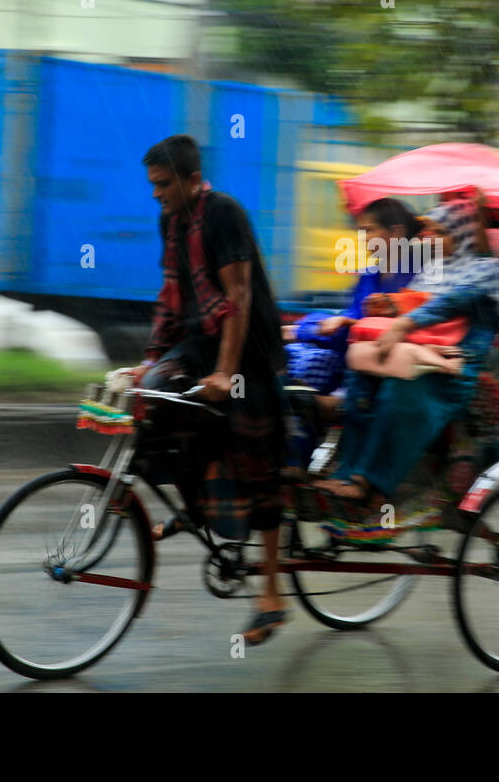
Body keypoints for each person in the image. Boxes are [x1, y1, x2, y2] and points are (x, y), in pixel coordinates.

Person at [131, 134, 289, 646]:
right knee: (154, 399)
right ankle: (198, 504)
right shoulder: (170, 222)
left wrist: (225, 374)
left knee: (258, 463)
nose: (155, 193)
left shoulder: (224, 213)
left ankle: (271, 594)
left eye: (162, 184)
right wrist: (150, 360)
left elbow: (238, 295)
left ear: (190, 180)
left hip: (250, 351)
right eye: (152, 185)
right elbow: (170, 296)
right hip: (201, 341)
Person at [314, 195, 499, 506]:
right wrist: (389, 306)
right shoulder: (435, 267)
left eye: (441, 232)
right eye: (430, 231)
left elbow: (448, 304)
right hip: (418, 353)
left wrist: (402, 324)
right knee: (361, 379)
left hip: (455, 366)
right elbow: (414, 299)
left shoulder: (489, 270)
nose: (429, 238)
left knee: (398, 390)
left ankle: (369, 480)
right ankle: (345, 473)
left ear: (462, 235)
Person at [284, 197, 424, 400]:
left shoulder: (417, 277)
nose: (364, 238)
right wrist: (308, 327)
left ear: (396, 233)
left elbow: (390, 327)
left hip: (378, 361)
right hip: (348, 351)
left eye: (369, 230)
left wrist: (309, 329)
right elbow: (353, 314)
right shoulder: (369, 274)